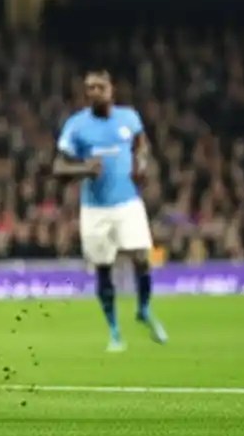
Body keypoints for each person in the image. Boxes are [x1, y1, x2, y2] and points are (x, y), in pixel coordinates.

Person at [54, 69, 166, 352]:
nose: (93, 92)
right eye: (89, 88)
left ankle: (143, 309)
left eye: (99, 87)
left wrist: (141, 162)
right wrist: (83, 168)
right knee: (104, 268)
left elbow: (142, 145)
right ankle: (115, 331)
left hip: (128, 203)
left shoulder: (129, 118)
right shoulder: (77, 126)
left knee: (142, 257)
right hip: (95, 210)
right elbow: (58, 167)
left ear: (111, 89)